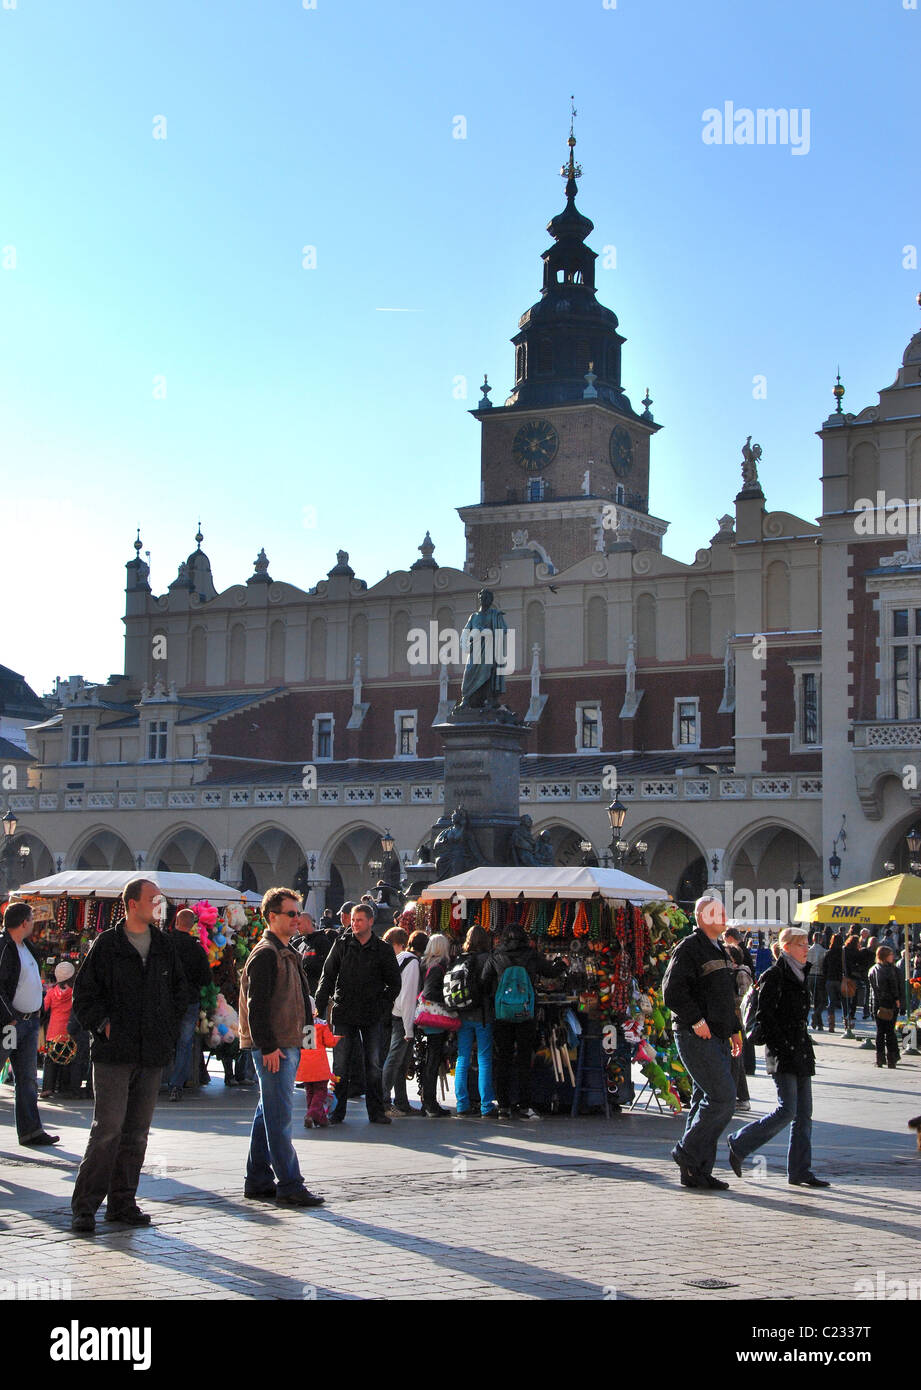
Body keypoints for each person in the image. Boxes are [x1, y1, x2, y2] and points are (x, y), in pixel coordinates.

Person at [70, 879, 187, 1233]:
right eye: (153, 899)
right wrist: (103, 1025)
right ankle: (85, 1207)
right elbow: (84, 996)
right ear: (132, 904)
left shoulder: (165, 945)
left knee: (137, 1132)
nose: (158, 904)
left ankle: (123, 1203)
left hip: (151, 1053)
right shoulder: (107, 945)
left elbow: (181, 992)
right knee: (107, 1129)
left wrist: (166, 1028)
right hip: (113, 1053)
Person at [238, 886, 324, 1207]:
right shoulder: (266, 954)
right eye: (290, 914)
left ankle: (257, 1179)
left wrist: (307, 1039)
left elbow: (299, 998)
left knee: (268, 1111)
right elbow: (256, 1006)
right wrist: (269, 1046)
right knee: (279, 1116)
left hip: (288, 1042)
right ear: (272, 917)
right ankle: (290, 1183)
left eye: (298, 913)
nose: (296, 919)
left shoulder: (286, 951)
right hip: (274, 1046)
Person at [727, 926, 829, 1189]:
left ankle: (800, 1171)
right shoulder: (775, 975)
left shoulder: (800, 974)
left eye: (807, 944)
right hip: (783, 1053)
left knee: (804, 1114)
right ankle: (740, 1142)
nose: (806, 949)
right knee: (787, 1110)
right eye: (801, 945)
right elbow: (765, 1018)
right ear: (786, 948)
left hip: (802, 1051)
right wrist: (784, 1043)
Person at [662, 894, 742, 1191]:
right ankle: (686, 1152)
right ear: (704, 917)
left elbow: (725, 997)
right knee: (723, 1098)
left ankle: (697, 1172)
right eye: (719, 913)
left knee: (702, 1101)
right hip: (695, 1035)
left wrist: (734, 1028)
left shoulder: (719, 948)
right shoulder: (689, 948)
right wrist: (696, 1020)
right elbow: (671, 992)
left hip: (718, 1035)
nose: (724, 918)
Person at [315, 902, 402, 1125]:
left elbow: (394, 983)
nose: (354, 924)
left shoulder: (382, 949)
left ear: (370, 922)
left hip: (372, 1014)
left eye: (359, 920)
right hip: (344, 1012)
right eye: (353, 920)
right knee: (340, 1065)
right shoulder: (342, 944)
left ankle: (376, 1111)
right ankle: (337, 1111)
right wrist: (320, 1003)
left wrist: (382, 1004)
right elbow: (328, 974)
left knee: (373, 1064)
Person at [491, 923, 566, 1120]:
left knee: (503, 1059)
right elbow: (550, 972)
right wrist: (563, 963)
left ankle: (503, 1106)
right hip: (526, 1013)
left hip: (502, 1014)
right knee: (524, 1059)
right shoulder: (531, 955)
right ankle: (524, 1105)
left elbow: (484, 980)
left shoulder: (497, 955)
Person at [0, 901, 60, 1146]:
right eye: (32, 920)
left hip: (29, 1022)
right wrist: (9, 1016)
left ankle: (31, 1131)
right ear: (24, 922)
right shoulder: (4, 946)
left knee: (27, 1077)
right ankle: (30, 1130)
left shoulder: (27, 947)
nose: (33, 924)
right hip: (11, 1024)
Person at [165, 907, 213, 1102]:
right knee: (184, 1043)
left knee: (163, 1039)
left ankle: (153, 1080)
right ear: (192, 926)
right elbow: (205, 978)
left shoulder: (165, 944)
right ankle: (176, 1085)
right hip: (189, 1000)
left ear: (176, 922)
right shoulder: (197, 948)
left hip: (166, 1000)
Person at [452, 924, 498, 1119]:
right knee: (484, 1058)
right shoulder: (488, 959)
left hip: (463, 1013)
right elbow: (491, 987)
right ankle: (486, 1105)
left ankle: (462, 1103)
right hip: (483, 1015)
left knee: (462, 1057)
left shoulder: (459, 959)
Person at [381, 926, 421, 1117]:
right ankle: (384, 1101)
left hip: (390, 1014)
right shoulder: (411, 962)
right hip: (401, 1017)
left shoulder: (393, 960)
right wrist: (408, 1028)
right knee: (395, 1059)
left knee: (400, 1061)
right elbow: (408, 996)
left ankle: (401, 1101)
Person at [416, 933, 455, 1117]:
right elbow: (431, 993)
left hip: (427, 1018)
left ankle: (428, 1101)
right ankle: (430, 1103)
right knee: (433, 1059)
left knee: (429, 1060)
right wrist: (448, 1000)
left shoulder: (424, 964)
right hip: (436, 1018)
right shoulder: (438, 967)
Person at [40, 960, 77, 1098]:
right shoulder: (73, 993)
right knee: (66, 1059)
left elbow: (44, 1008)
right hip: (67, 1031)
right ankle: (63, 1087)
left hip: (52, 1031)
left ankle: (47, 1087)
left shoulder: (51, 992)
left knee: (50, 1060)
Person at [296, 1015, 340, 1127]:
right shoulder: (321, 1024)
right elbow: (329, 1042)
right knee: (321, 1092)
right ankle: (311, 1114)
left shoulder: (298, 1022)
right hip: (319, 1066)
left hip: (304, 1065)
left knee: (310, 1092)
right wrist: (337, 1038)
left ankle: (320, 1119)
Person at [868, 945, 902, 1069]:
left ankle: (879, 1058)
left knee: (880, 1032)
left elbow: (871, 990)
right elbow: (893, 986)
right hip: (889, 1003)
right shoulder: (890, 970)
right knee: (890, 1032)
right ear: (885, 956)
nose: (893, 957)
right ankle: (891, 1059)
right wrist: (897, 999)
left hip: (876, 1004)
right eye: (891, 954)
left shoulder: (873, 969)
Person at [291, 908, 336, 994]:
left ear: (308, 923)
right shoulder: (298, 943)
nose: (297, 927)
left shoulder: (322, 941)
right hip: (302, 992)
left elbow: (330, 967)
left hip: (316, 992)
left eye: (299, 924)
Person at [806, 932, 828, 1031]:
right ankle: (816, 1015)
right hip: (819, 976)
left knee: (815, 1000)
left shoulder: (808, 950)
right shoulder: (824, 951)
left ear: (813, 939)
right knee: (822, 1001)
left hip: (810, 976)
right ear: (821, 940)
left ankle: (819, 1024)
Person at [823, 932, 843, 1032]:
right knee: (845, 1001)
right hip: (840, 979)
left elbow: (824, 967)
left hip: (830, 979)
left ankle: (831, 1025)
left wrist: (826, 977)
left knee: (831, 1001)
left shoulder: (828, 953)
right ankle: (847, 1023)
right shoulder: (843, 953)